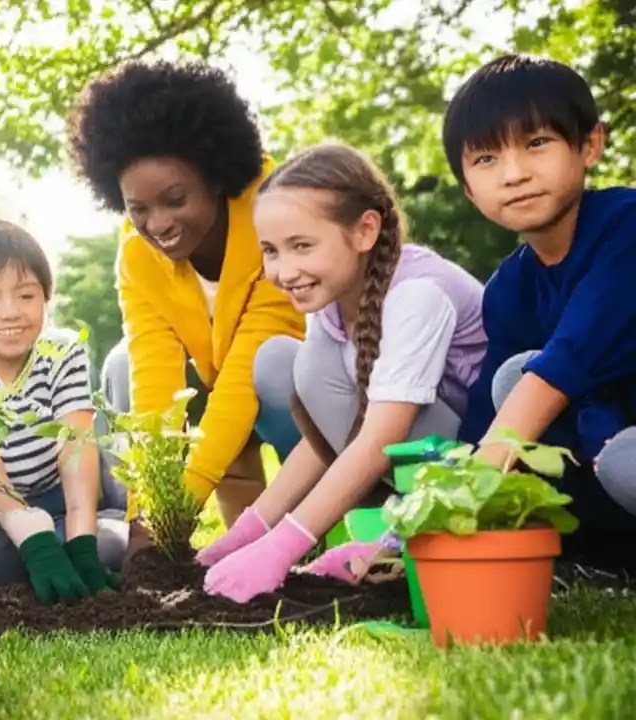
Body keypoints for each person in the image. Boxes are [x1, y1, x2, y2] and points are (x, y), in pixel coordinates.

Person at [200, 143, 488, 603]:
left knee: (307, 366)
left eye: (302, 246)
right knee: (288, 361)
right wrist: (252, 529)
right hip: (413, 460)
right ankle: (386, 532)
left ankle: (396, 538)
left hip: (474, 465)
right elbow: (329, 435)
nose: (284, 270)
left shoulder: (417, 294)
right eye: (271, 251)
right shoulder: (337, 296)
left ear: (365, 231)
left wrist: (282, 548)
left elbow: (377, 440)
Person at [68, 59, 305, 526]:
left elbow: (244, 374)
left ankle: (317, 515)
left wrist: (182, 503)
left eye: (176, 200)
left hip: (297, 386)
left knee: (271, 368)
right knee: (120, 365)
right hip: (214, 371)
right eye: (139, 208)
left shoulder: (274, 212)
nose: (158, 224)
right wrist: (151, 511)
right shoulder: (137, 253)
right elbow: (154, 379)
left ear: (214, 178)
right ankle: (241, 531)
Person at [448, 55, 636, 549]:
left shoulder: (626, 228)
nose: (513, 174)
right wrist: (409, 524)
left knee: (621, 457)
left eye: (536, 143)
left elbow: (567, 362)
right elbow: (481, 429)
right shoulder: (509, 289)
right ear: (468, 188)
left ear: (589, 144)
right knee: (511, 381)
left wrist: (460, 501)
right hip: (602, 476)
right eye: (486, 158)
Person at [0, 218, 125, 604]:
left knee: (109, 546)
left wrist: (82, 543)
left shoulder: (62, 353)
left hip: (62, 498)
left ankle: (83, 536)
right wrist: (34, 539)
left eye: (26, 295)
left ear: (46, 297)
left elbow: (76, 445)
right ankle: (47, 548)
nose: (11, 312)